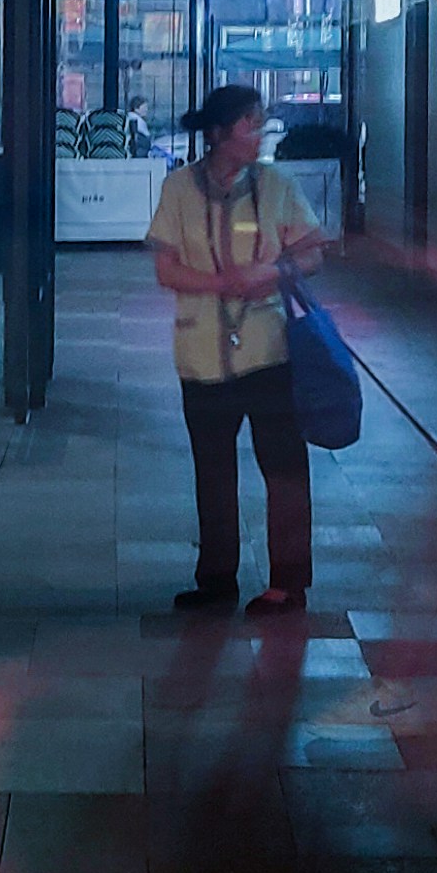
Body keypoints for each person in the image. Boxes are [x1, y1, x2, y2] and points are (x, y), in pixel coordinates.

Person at [151, 80, 328, 616]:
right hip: (201, 354)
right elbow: (165, 267)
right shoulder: (178, 188)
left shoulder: (276, 186)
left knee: (284, 466)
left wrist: (270, 273)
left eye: (261, 122)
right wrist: (222, 284)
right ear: (220, 133)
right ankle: (215, 578)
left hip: (267, 351)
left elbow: (314, 253)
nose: (260, 133)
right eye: (251, 123)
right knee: (213, 469)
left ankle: (288, 582)